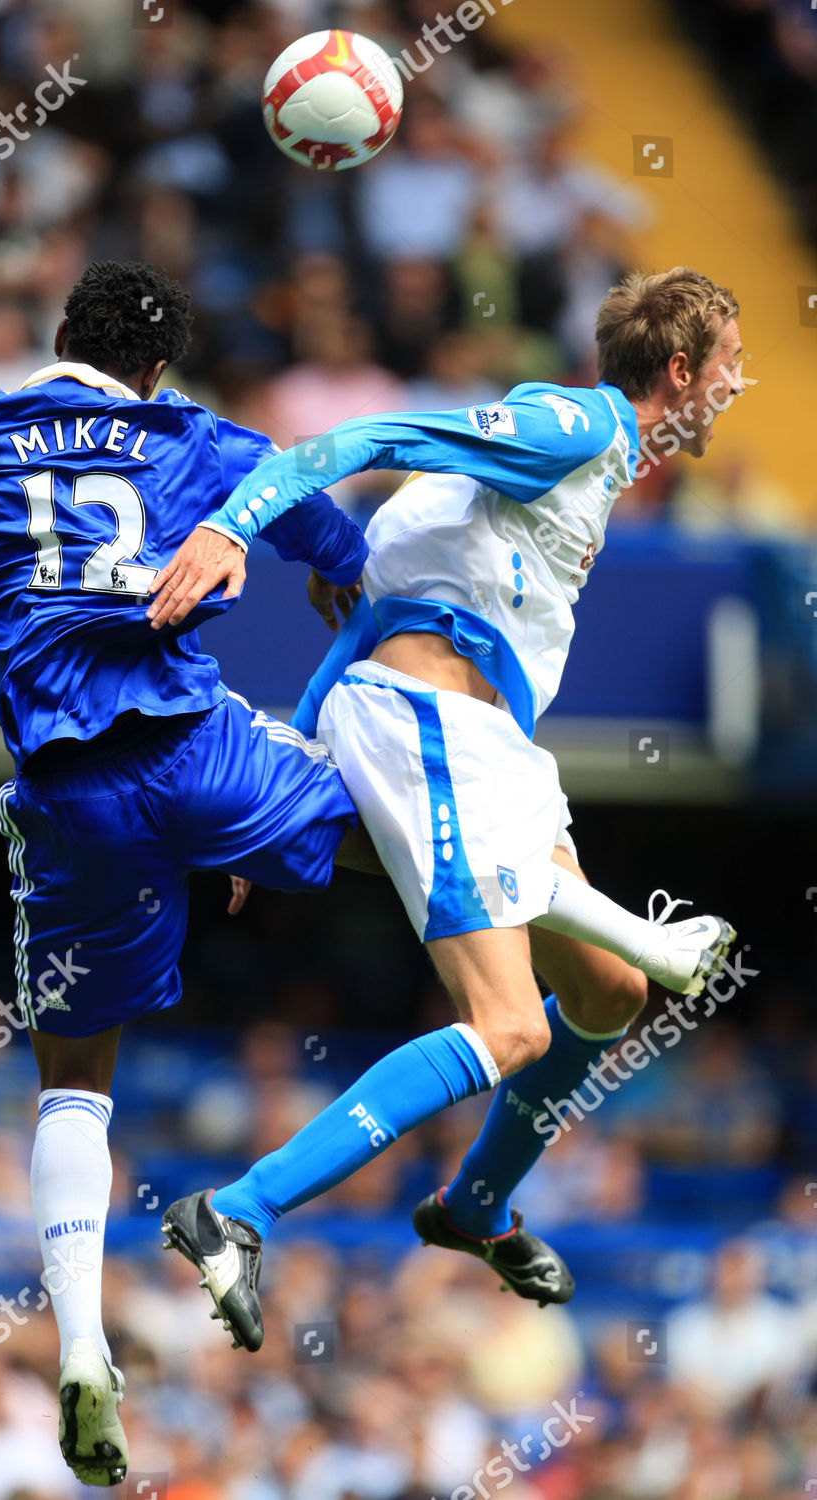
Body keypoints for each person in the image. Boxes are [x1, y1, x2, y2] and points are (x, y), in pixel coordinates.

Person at [0, 259, 376, 1489]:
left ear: (61, 338)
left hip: (71, 800)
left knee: (76, 1076)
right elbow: (334, 534)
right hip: (203, 755)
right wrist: (316, 566)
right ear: (156, 369)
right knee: (393, 832)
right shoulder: (196, 433)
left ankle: (82, 1344)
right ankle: (574, 944)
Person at [153, 267, 742, 1354]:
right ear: (679, 371)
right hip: (435, 730)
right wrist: (237, 526)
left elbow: (362, 623)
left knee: (606, 995)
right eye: (729, 363)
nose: (739, 382)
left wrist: (281, 788)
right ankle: (238, 1209)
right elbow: (363, 435)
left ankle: (471, 1207)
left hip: (487, 750)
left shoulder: (528, 480)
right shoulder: (568, 423)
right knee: (513, 1027)